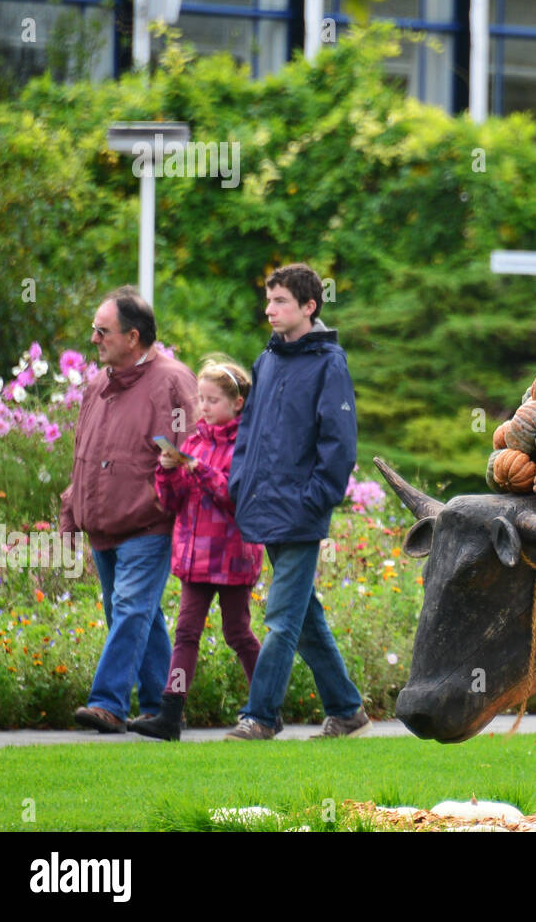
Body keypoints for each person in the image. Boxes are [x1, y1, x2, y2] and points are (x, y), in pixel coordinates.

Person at [225, 263, 369, 739]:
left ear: (309, 307)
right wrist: (238, 482)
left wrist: (316, 499)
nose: (270, 309)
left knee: (281, 618)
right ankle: (347, 710)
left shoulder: (330, 363)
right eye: (268, 301)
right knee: (304, 617)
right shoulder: (266, 361)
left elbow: (340, 442)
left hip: (302, 513)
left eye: (280, 301)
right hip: (264, 507)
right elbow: (246, 433)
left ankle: (260, 717)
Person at [61, 288, 199, 732]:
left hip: (148, 524)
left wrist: (169, 499)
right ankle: (165, 709)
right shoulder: (98, 385)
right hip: (102, 525)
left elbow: (192, 451)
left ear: (133, 337)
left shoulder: (173, 380)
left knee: (131, 609)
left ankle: (108, 704)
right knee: (139, 614)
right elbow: (81, 456)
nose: (94, 339)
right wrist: (70, 515)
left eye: (103, 331)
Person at [135, 358, 263, 741]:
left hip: (232, 556)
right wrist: (168, 470)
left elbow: (236, 497)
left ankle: (265, 703)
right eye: (201, 400)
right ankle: (170, 713)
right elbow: (171, 503)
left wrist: (199, 470)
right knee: (186, 633)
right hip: (194, 559)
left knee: (237, 632)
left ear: (237, 403)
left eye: (213, 401)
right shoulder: (193, 442)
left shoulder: (246, 445)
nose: (204, 408)